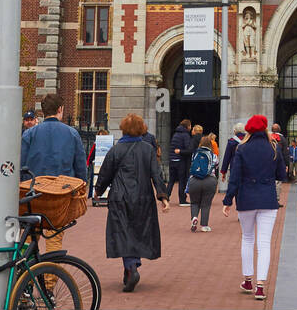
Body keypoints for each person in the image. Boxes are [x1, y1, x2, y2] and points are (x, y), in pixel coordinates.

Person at [93, 113, 169, 292]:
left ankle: (131, 266)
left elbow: (105, 173)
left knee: (122, 232)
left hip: (120, 197)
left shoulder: (116, 149)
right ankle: (131, 266)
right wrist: (162, 196)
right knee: (138, 231)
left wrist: (98, 191)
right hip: (143, 197)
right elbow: (156, 174)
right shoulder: (148, 149)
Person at [222, 114, 288, 300]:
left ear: (249, 130)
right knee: (265, 243)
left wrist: (228, 201)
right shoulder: (273, 147)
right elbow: (282, 175)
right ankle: (260, 286)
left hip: (246, 199)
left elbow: (234, 178)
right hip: (268, 198)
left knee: (248, 238)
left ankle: (248, 280)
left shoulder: (241, 148)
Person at [20, 93, 87, 253]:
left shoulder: (29, 134)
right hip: (59, 194)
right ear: (60, 109)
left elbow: (21, 165)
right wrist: (81, 189)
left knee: (29, 238)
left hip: (33, 193)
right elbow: (80, 167)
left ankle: (25, 272)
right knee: (54, 239)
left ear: (42, 112)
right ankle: (50, 276)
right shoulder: (72, 133)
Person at [187, 132, 219, 232]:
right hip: (209, 180)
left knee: (194, 202)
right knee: (206, 203)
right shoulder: (213, 156)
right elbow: (216, 166)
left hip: (194, 180)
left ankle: (194, 218)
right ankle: (204, 225)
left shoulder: (195, 154)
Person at [168, 119, 195, 207]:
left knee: (171, 180)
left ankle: (166, 197)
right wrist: (181, 152)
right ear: (187, 126)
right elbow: (188, 149)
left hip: (172, 160)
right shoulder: (185, 135)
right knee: (182, 180)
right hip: (180, 160)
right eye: (190, 126)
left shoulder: (175, 134)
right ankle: (182, 200)